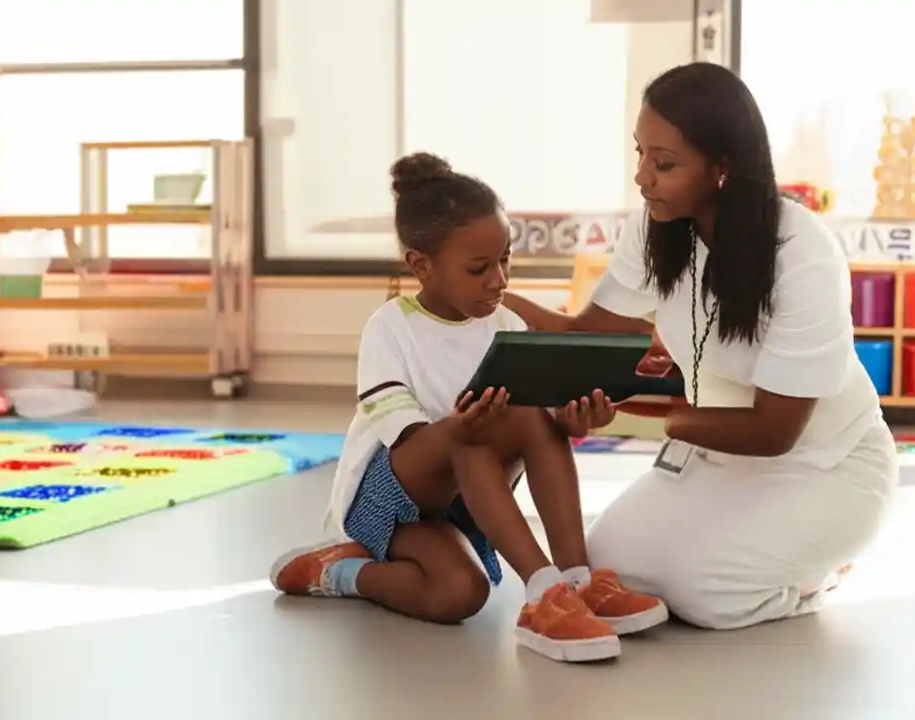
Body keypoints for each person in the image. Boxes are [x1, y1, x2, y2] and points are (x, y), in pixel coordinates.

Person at [504, 63, 898, 630]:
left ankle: (816, 577)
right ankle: (766, 549)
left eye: (663, 164)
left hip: (826, 463)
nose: (642, 177)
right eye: (639, 154)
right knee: (609, 564)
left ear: (722, 168)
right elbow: (586, 333)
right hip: (720, 452)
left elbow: (774, 432)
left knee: (707, 595)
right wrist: (490, 300)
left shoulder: (800, 250)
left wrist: (653, 418)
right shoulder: (657, 228)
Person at [269, 153, 668, 663]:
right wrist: (469, 425)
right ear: (421, 265)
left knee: (462, 593)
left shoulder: (505, 324)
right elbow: (407, 435)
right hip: (392, 492)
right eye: (479, 268)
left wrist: (571, 419)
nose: (498, 280)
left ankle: (574, 579)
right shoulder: (391, 327)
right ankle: (545, 591)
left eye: (506, 260)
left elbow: (538, 429)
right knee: (480, 427)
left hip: (454, 505)